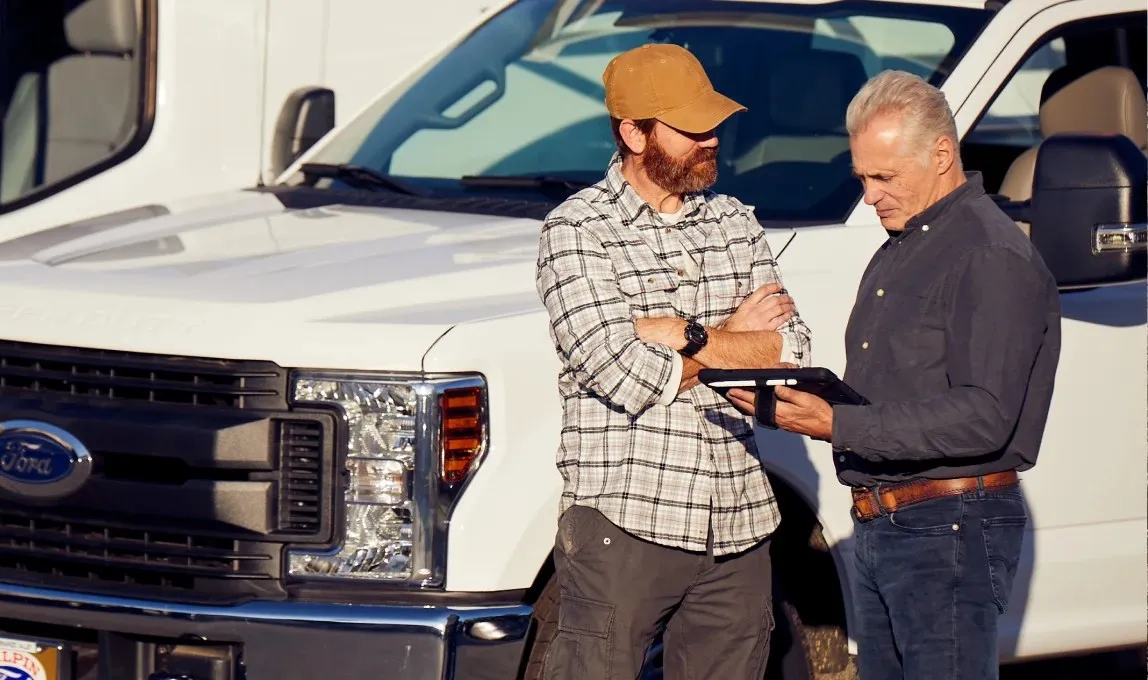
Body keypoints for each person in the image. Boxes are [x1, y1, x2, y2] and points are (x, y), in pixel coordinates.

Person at [725, 70, 1062, 680]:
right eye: (862, 178)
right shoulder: (908, 243)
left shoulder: (987, 255)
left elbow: (984, 415)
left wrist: (837, 422)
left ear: (942, 154)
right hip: (888, 522)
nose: (872, 195)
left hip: (949, 530)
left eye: (885, 177)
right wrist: (809, 402)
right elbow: (899, 393)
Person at [534, 43, 812, 680]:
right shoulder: (579, 229)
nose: (711, 139)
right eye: (691, 128)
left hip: (739, 520)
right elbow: (620, 373)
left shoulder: (736, 223)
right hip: (625, 518)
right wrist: (731, 338)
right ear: (633, 133)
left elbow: (791, 352)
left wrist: (677, 334)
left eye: (714, 123)